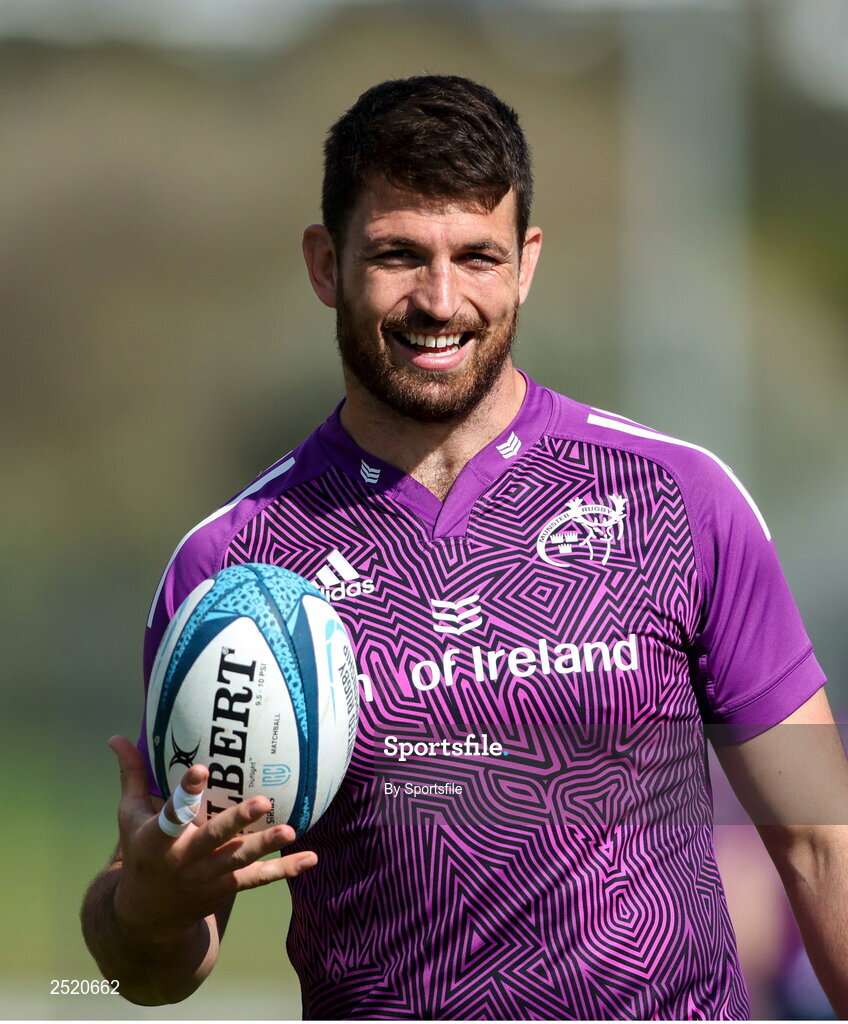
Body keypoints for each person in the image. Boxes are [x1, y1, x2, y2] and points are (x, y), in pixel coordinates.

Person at [81, 75, 848, 1020]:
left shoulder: (683, 502)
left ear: (525, 263)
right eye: (400, 255)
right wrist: (149, 904)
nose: (441, 301)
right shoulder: (236, 571)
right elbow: (149, 966)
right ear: (326, 265)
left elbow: (825, 847)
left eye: (476, 257)